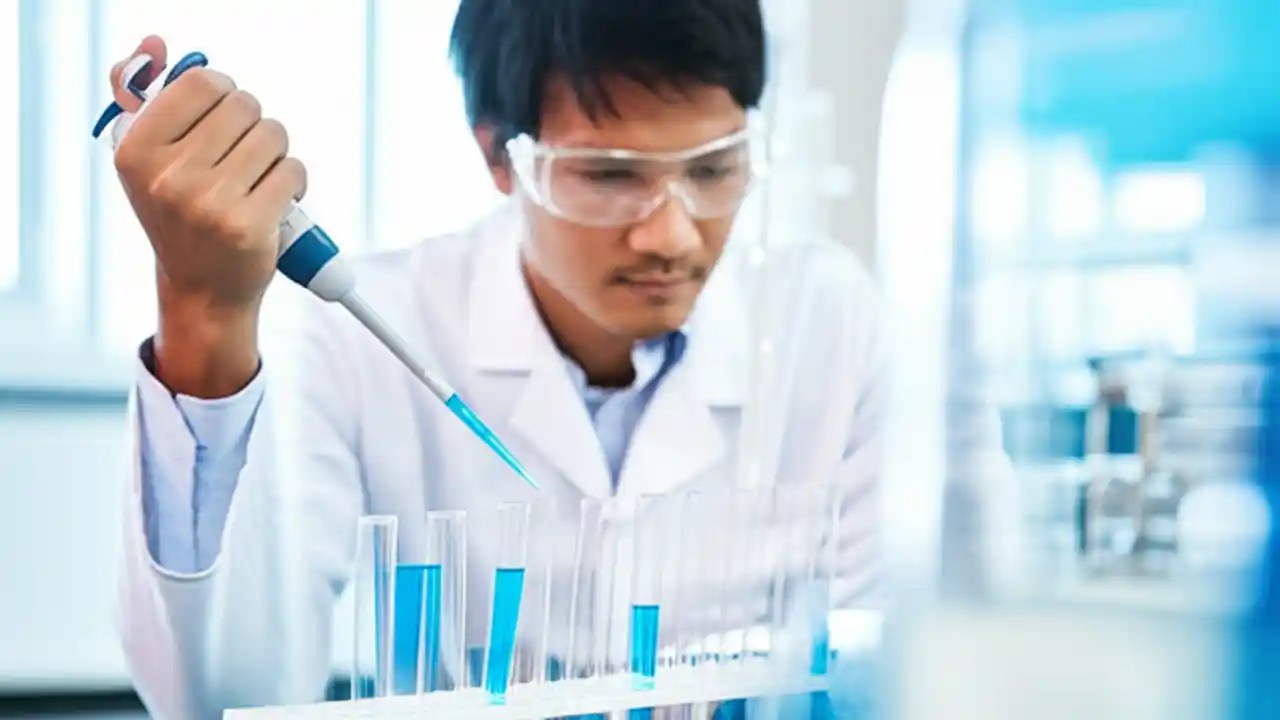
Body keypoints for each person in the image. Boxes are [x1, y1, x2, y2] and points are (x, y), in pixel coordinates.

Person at [110, 2, 888, 718]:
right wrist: (203, 312)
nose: (671, 237)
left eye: (713, 170)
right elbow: (221, 700)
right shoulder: (360, 335)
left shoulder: (829, 324)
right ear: (497, 154)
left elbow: (907, 662)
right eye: (611, 176)